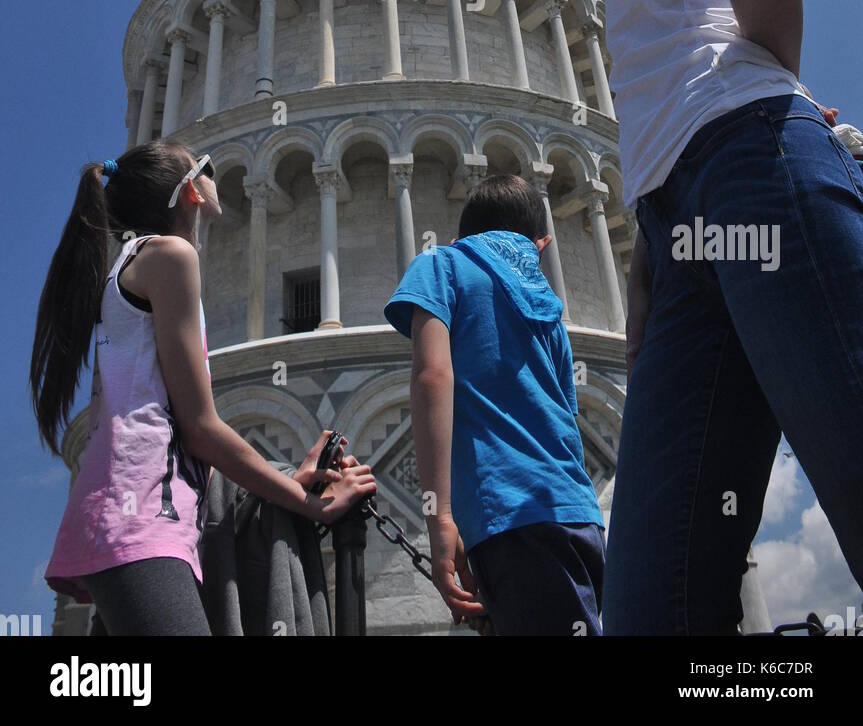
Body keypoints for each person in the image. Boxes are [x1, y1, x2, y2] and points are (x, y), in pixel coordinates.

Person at [537, 0, 863, 634]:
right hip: (678, 226)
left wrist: (763, 97)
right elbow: (652, 104)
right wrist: (647, 261)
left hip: (753, 159)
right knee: (650, 598)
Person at [31, 140, 376, 636]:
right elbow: (199, 427)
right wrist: (306, 502)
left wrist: (286, 481)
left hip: (129, 516)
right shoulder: (171, 255)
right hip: (142, 517)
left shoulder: (131, 262)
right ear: (191, 190)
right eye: (206, 166)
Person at [383, 174, 606, 636]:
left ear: (459, 235)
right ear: (539, 244)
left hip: (510, 518)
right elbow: (567, 413)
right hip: (578, 515)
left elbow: (432, 375)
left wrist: (440, 516)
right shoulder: (549, 308)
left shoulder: (442, 263)